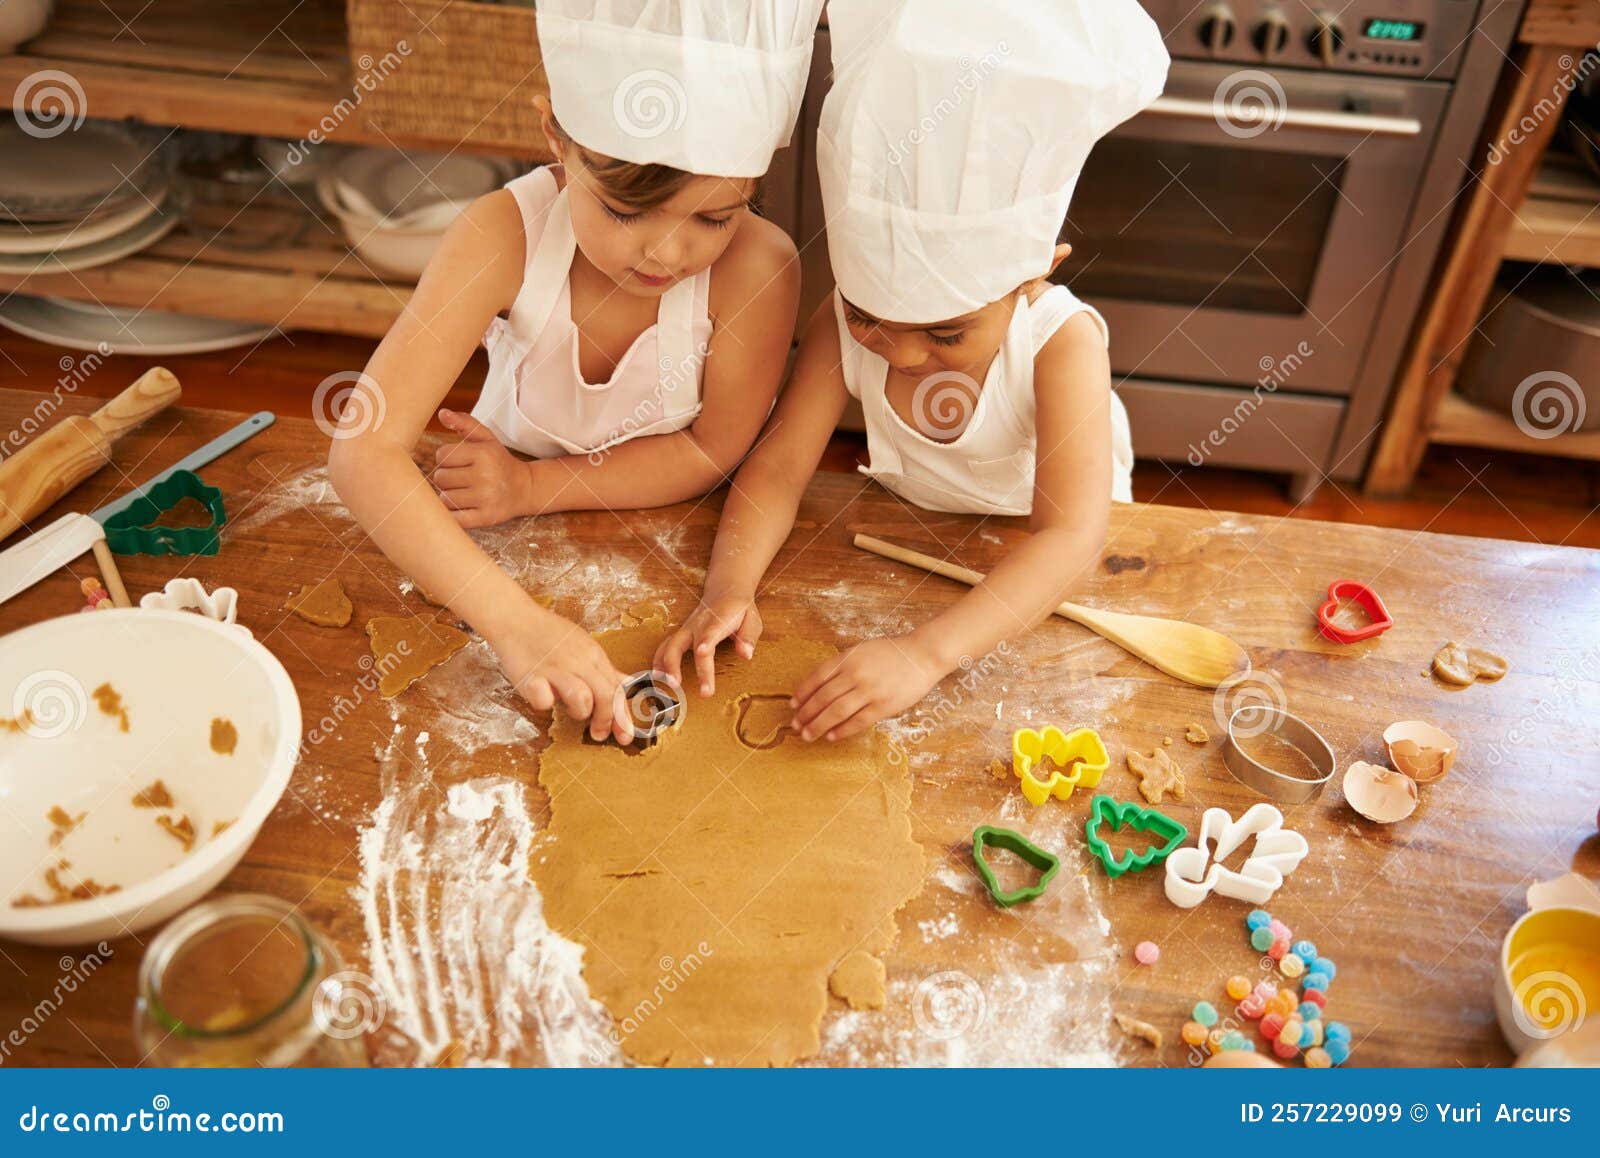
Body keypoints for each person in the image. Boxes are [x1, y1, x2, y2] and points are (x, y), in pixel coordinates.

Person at [656, 0, 1169, 743]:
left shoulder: (1060, 345)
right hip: (915, 540)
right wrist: (728, 589)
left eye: (945, 333)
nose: (897, 354)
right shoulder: (844, 323)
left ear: (1032, 278)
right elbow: (778, 469)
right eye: (868, 317)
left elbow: (1069, 538)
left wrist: (925, 654)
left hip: (1037, 583)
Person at [331, 1, 822, 743]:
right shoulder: (502, 236)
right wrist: (515, 623)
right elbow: (363, 450)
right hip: (485, 545)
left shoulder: (759, 269)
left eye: (713, 217)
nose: (666, 254)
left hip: (665, 540)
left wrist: (531, 487)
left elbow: (711, 449)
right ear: (556, 139)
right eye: (625, 211)